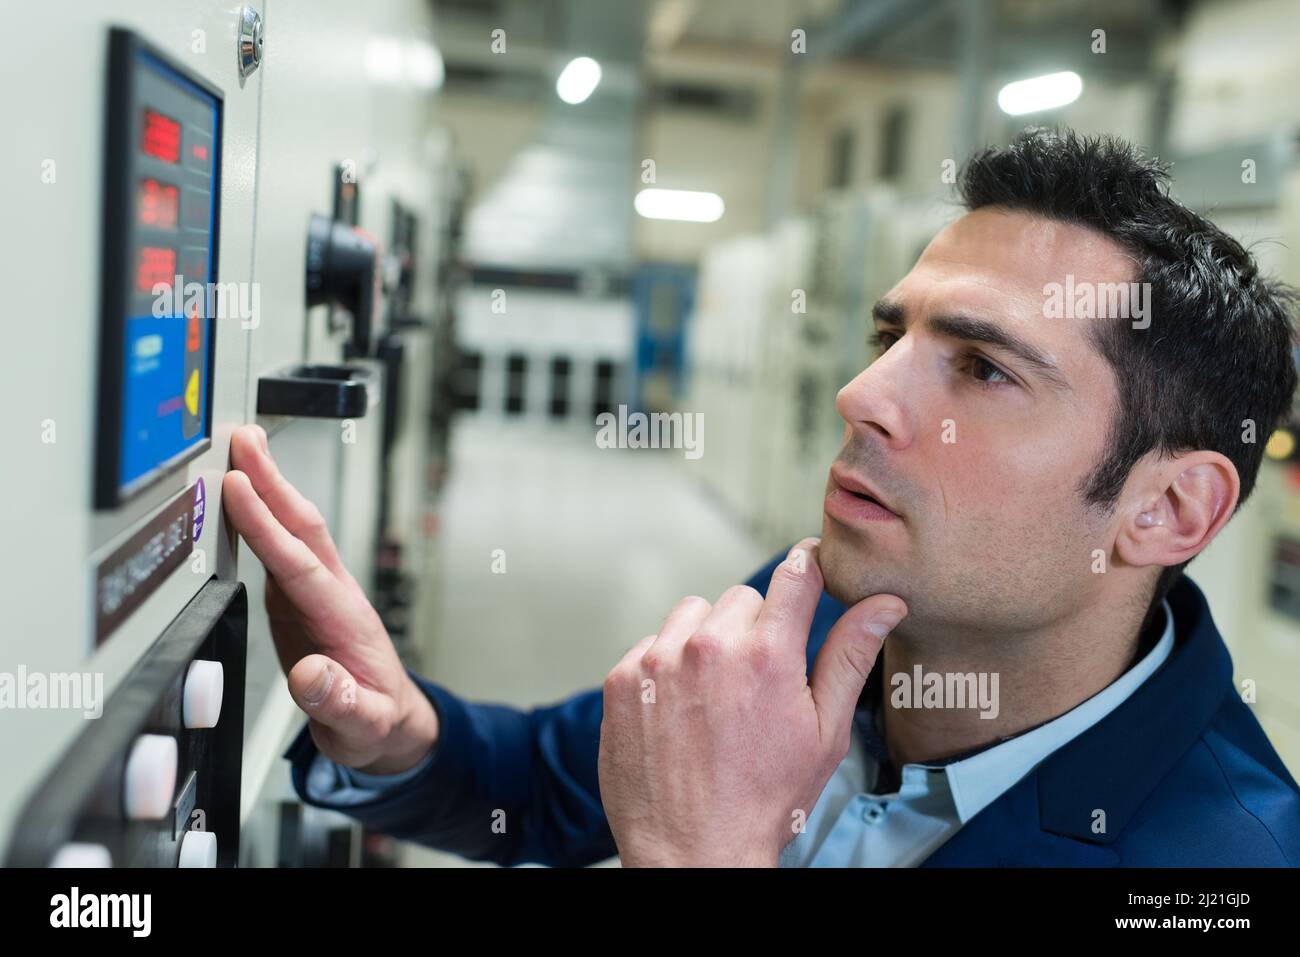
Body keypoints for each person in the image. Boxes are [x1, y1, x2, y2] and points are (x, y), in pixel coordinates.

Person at [222, 128, 1300, 867]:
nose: (860, 393)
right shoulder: (829, 608)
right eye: (891, 337)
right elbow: (549, 787)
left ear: (1167, 510)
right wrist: (399, 734)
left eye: (982, 369)